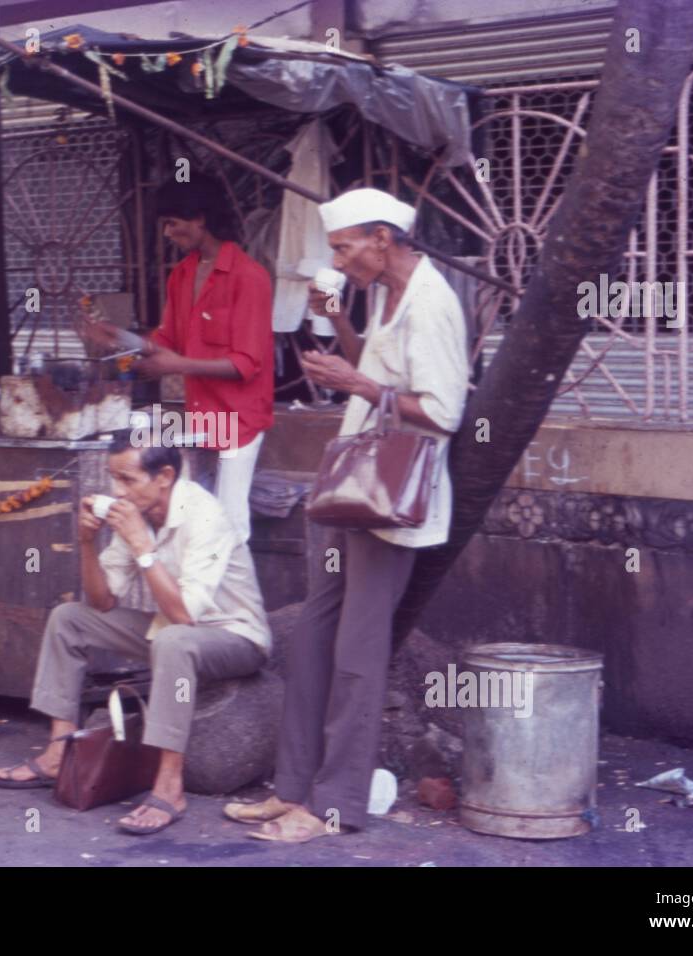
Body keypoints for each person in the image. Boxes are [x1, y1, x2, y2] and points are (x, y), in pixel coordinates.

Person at [223, 188, 470, 842]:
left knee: (359, 656)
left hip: (389, 501)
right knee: (312, 639)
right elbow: (378, 374)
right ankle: (294, 788)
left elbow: (443, 411)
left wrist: (357, 383)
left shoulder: (433, 302)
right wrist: (341, 330)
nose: (338, 258)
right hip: (352, 487)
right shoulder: (393, 295)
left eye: (343, 246)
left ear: (382, 238)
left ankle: (334, 806)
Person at [0, 433, 271, 835]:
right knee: (69, 617)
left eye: (128, 480)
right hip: (171, 629)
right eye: (113, 480)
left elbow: (184, 615)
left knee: (175, 639)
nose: (117, 491)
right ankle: (58, 752)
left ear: (165, 476)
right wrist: (87, 541)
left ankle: (169, 786)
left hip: (235, 636)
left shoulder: (205, 514)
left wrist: (141, 544)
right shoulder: (138, 513)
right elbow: (102, 601)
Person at [81, 174, 273, 542]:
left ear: (200, 218)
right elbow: (165, 342)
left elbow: (245, 365)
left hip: (240, 419)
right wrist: (117, 339)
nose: (168, 233)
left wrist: (176, 365)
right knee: (179, 515)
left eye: (173, 223)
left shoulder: (250, 277)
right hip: (199, 417)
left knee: (231, 524)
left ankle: (236, 600)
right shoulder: (182, 275)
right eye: (164, 224)